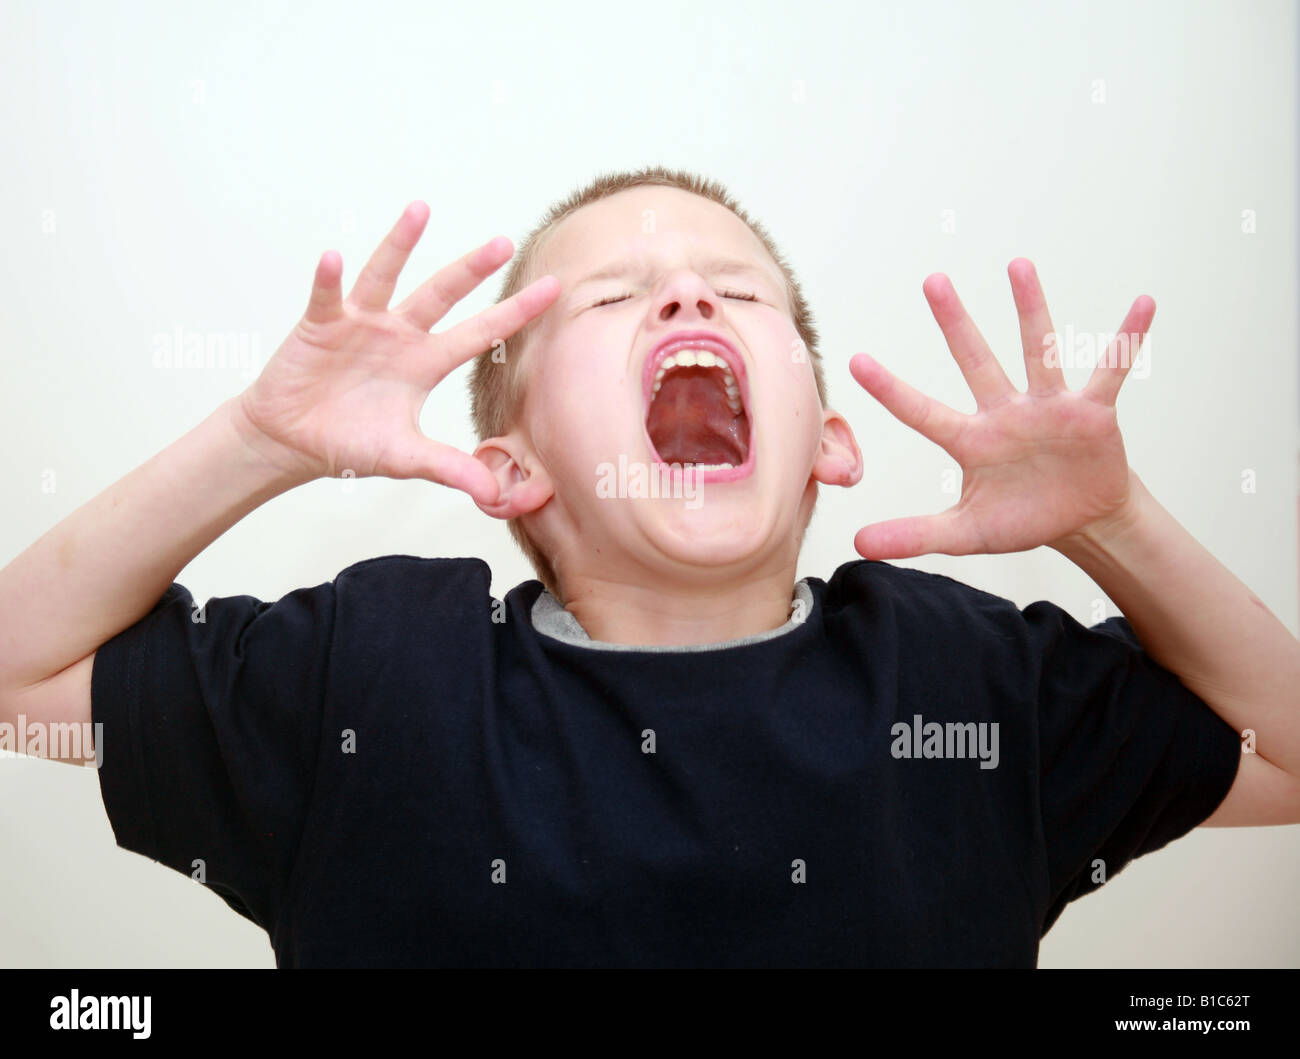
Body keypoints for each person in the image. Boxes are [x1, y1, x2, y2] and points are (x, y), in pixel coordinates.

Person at [2, 165, 1297, 967]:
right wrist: (254, 443)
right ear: (509, 466)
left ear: (829, 446)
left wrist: (1110, 521)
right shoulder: (371, 680)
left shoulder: (969, 681)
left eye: (741, 295)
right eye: (614, 300)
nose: (686, 298)